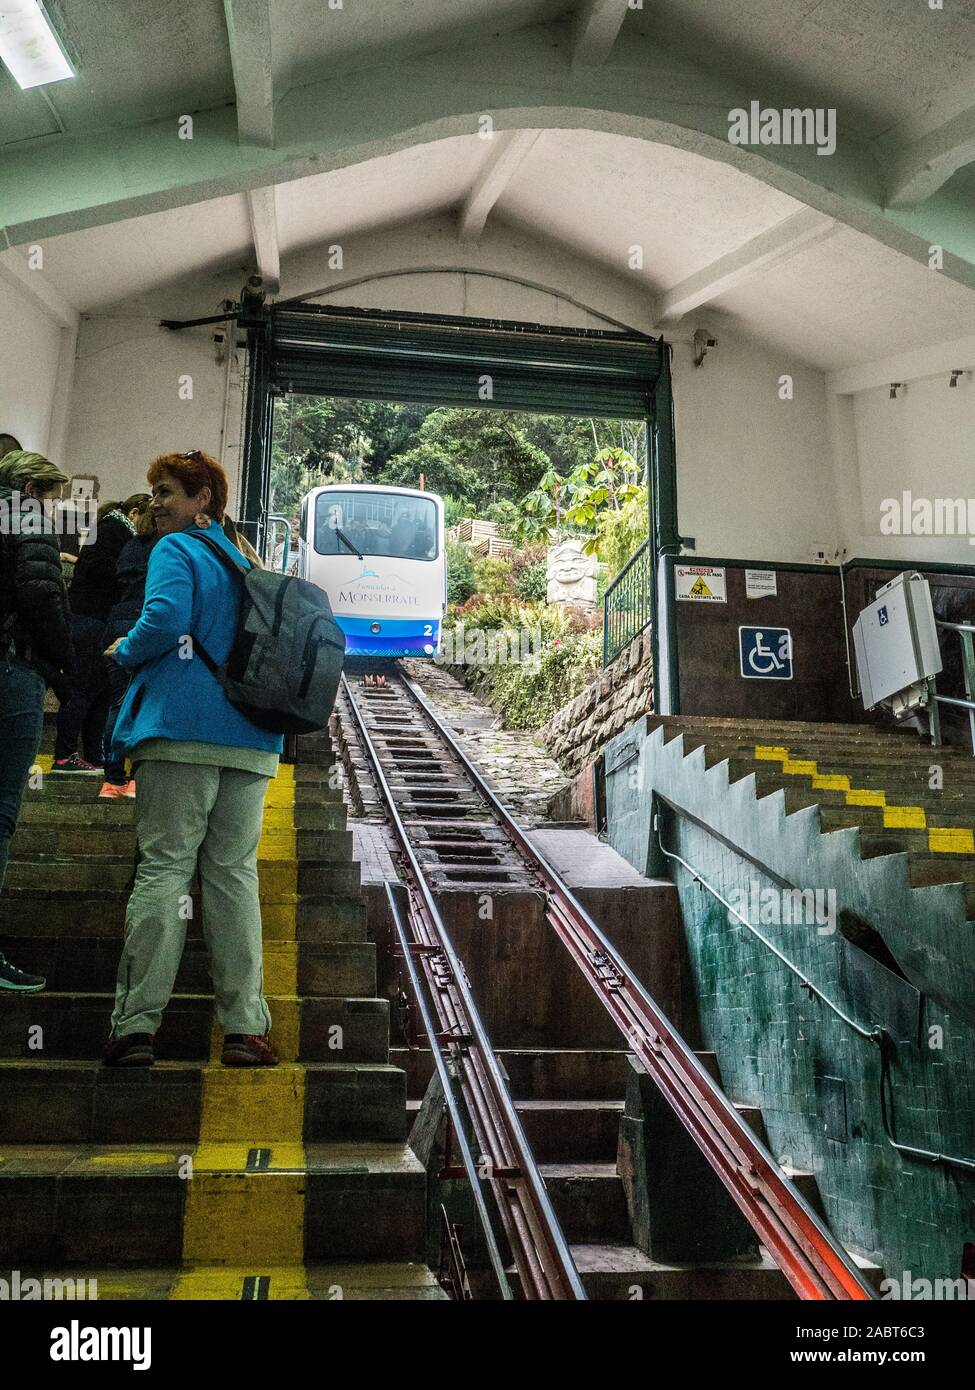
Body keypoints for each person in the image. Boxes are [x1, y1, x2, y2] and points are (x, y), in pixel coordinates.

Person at [103, 450, 284, 1068]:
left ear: (203, 500)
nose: (154, 503)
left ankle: (135, 1028)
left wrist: (123, 647)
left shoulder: (174, 552)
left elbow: (165, 620)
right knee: (233, 876)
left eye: (167, 492)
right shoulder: (247, 560)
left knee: (165, 869)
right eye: (153, 492)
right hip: (253, 739)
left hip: (181, 731)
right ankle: (245, 1028)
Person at [0, 450, 74, 993]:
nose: (52, 509)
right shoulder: (23, 517)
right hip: (11, 668)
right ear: (29, 486)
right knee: (1, 810)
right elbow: (42, 595)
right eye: (50, 496)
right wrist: (65, 662)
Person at [53, 494, 151, 774]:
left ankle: (93, 756)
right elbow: (97, 566)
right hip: (91, 619)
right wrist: (126, 573)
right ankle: (65, 755)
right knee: (84, 689)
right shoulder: (114, 530)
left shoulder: (110, 530)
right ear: (134, 512)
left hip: (95, 619)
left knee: (100, 692)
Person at [98, 504, 159, 799]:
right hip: (140, 620)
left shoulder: (131, 544)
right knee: (142, 702)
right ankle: (136, 776)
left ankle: (112, 777)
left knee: (117, 702)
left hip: (116, 619)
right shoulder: (166, 546)